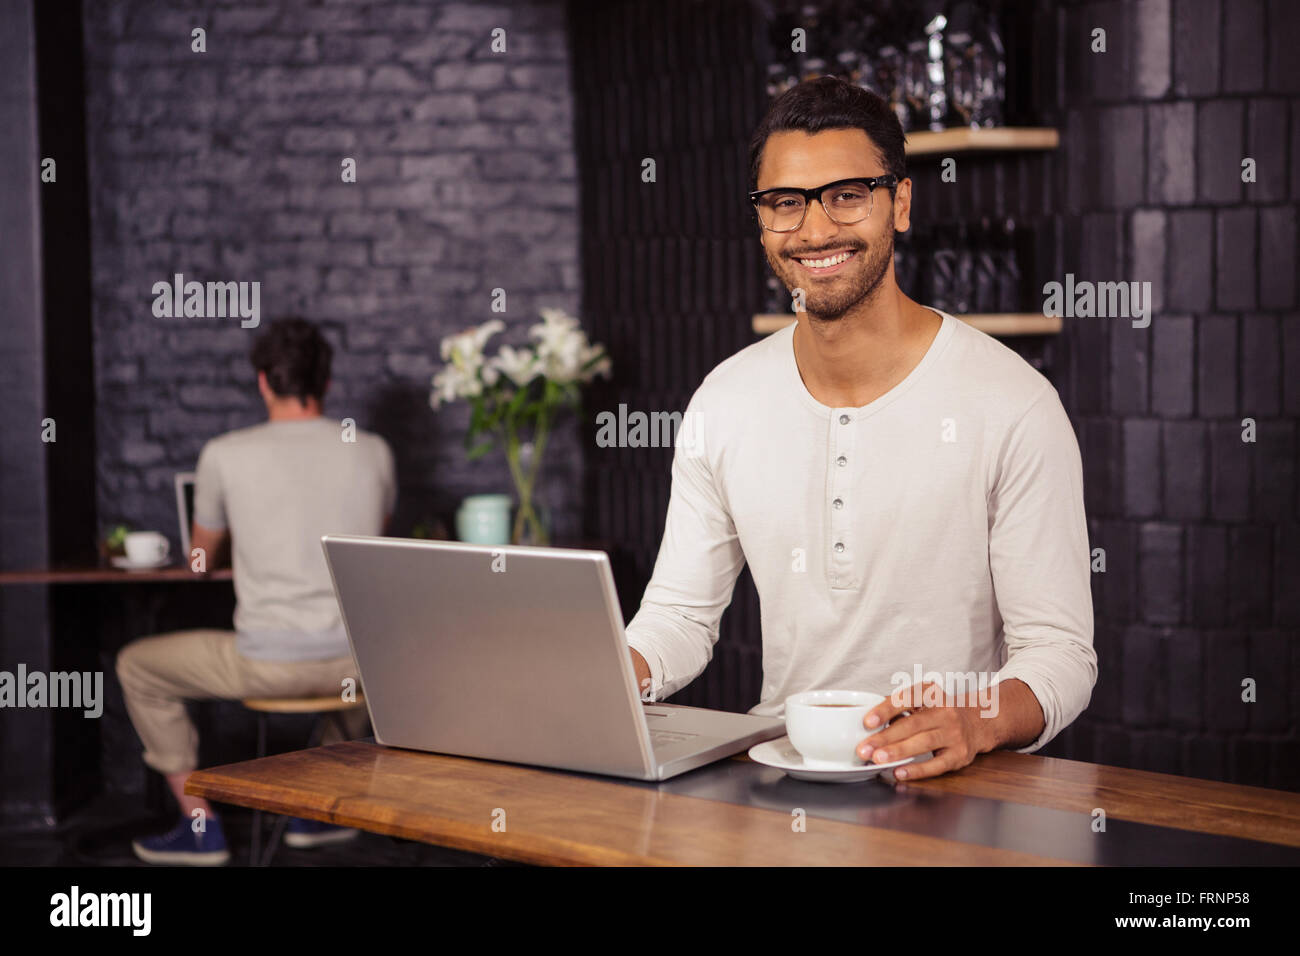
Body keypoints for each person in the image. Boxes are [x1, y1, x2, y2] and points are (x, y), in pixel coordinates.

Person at [625, 76, 1096, 781]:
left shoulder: (1014, 403)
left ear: (900, 203)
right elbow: (679, 619)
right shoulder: (724, 401)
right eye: (785, 203)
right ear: (761, 220)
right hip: (783, 782)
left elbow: (1060, 655)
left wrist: (976, 719)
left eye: (846, 195)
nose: (814, 230)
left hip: (955, 788)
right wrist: (600, 679)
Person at [118, 317, 396, 864]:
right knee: (363, 669)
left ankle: (201, 826)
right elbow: (371, 548)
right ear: (328, 382)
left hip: (267, 664)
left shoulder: (225, 453)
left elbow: (200, 564)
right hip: (356, 666)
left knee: (137, 667)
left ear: (264, 381)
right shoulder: (375, 451)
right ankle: (316, 813)